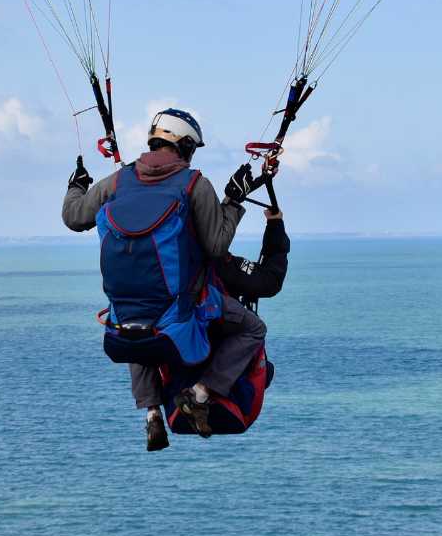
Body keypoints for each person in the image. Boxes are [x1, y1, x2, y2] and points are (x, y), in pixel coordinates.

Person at [62, 108, 259, 451]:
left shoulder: (116, 183)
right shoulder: (194, 184)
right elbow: (216, 245)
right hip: (181, 309)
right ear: (184, 145)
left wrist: (75, 187)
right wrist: (233, 202)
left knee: (135, 320)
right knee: (252, 329)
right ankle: (200, 394)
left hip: (124, 320)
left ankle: (152, 413)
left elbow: (73, 216)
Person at [168, 207, 291, 439]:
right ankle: (204, 391)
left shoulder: (164, 267)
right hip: (226, 386)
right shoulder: (225, 265)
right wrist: (275, 225)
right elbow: (269, 280)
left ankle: (152, 412)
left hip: (181, 373)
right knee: (262, 356)